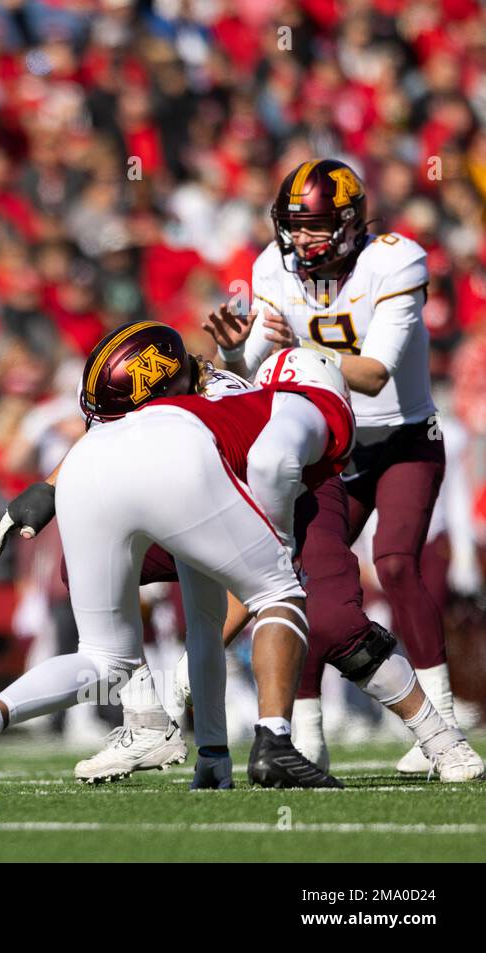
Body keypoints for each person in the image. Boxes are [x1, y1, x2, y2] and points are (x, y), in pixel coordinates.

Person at [0, 347, 357, 793]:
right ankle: (274, 742)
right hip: (181, 462)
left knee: (104, 657)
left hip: (86, 467)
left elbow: (204, 621)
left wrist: (45, 487)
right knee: (277, 592)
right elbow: (267, 462)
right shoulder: (265, 403)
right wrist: (280, 539)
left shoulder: (135, 414)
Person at [205, 158, 455, 774]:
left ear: (348, 223)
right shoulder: (273, 266)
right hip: (332, 448)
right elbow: (250, 366)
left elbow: (372, 375)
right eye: (294, 226)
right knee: (300, 577)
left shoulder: (392, 262)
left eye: (315, 226)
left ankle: (441, 717)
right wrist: (237, 347)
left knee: (395, 563)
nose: (301, 240)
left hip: (400, 437)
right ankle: (303, 730)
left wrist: (302, 351)